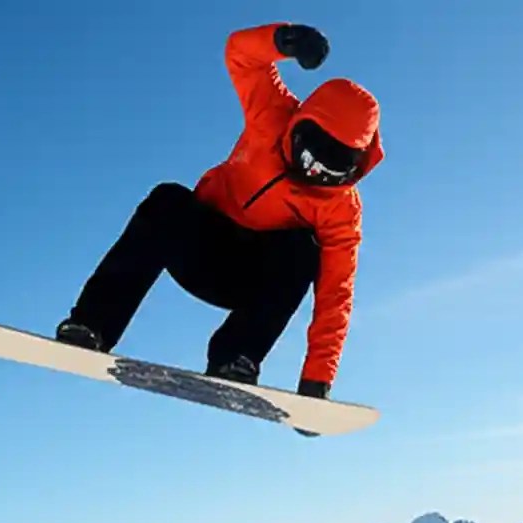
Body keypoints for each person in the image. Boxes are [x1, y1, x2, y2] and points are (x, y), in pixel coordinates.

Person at [55, 21, 384, 401]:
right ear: (300, 126)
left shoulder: (341, 210)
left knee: (302, 250)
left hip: (253, 283)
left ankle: (236, 357)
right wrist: (283, 40)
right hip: (200, 248)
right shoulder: (271, 114)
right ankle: (91, 325)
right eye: (308, 158)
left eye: (328, 173)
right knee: (168, 200)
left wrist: (317, 380)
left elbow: (335, 296)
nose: (311, 174)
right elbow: (241, 55)